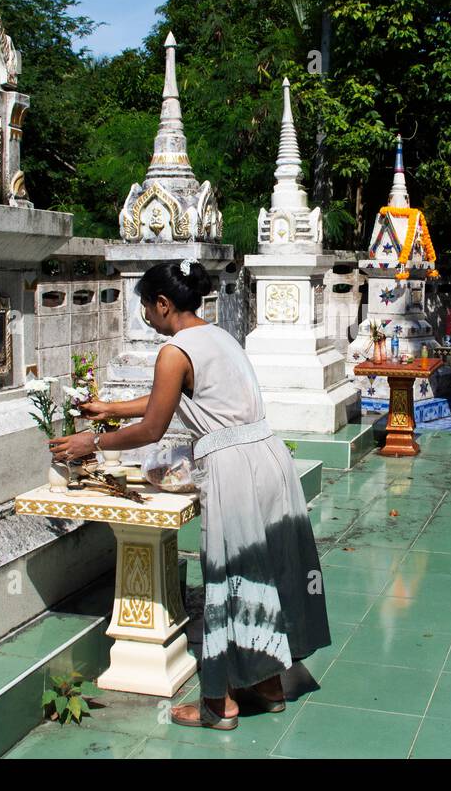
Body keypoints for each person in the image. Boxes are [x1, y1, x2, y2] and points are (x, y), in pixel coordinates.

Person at [48, 260, 331, 730]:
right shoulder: (219, 337)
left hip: (235, 468)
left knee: (230, 573)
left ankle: (220, 705)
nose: (144, 314)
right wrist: (108, 408)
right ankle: (265, 684)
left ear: (163, 304)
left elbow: (155, 424)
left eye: (144, 304)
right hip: (270, 459)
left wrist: (90, 441)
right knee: (265, 568)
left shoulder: (174, 351)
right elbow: (175, 399)